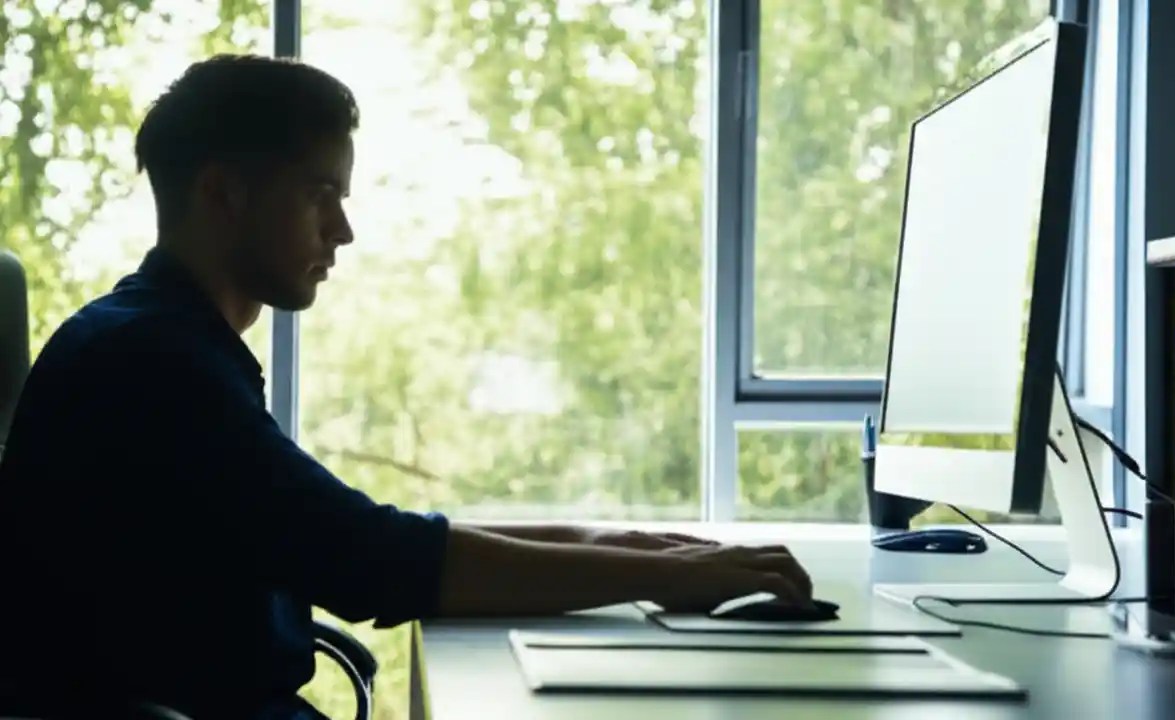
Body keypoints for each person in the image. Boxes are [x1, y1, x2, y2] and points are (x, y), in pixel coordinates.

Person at [0, 55, 814, 719]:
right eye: (320, 195)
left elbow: (355, 536)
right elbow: (371, 562)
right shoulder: (152, 362)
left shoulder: (162, 341)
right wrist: (669, 578)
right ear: (223, 192)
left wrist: (630, 546)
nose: (342, 231)